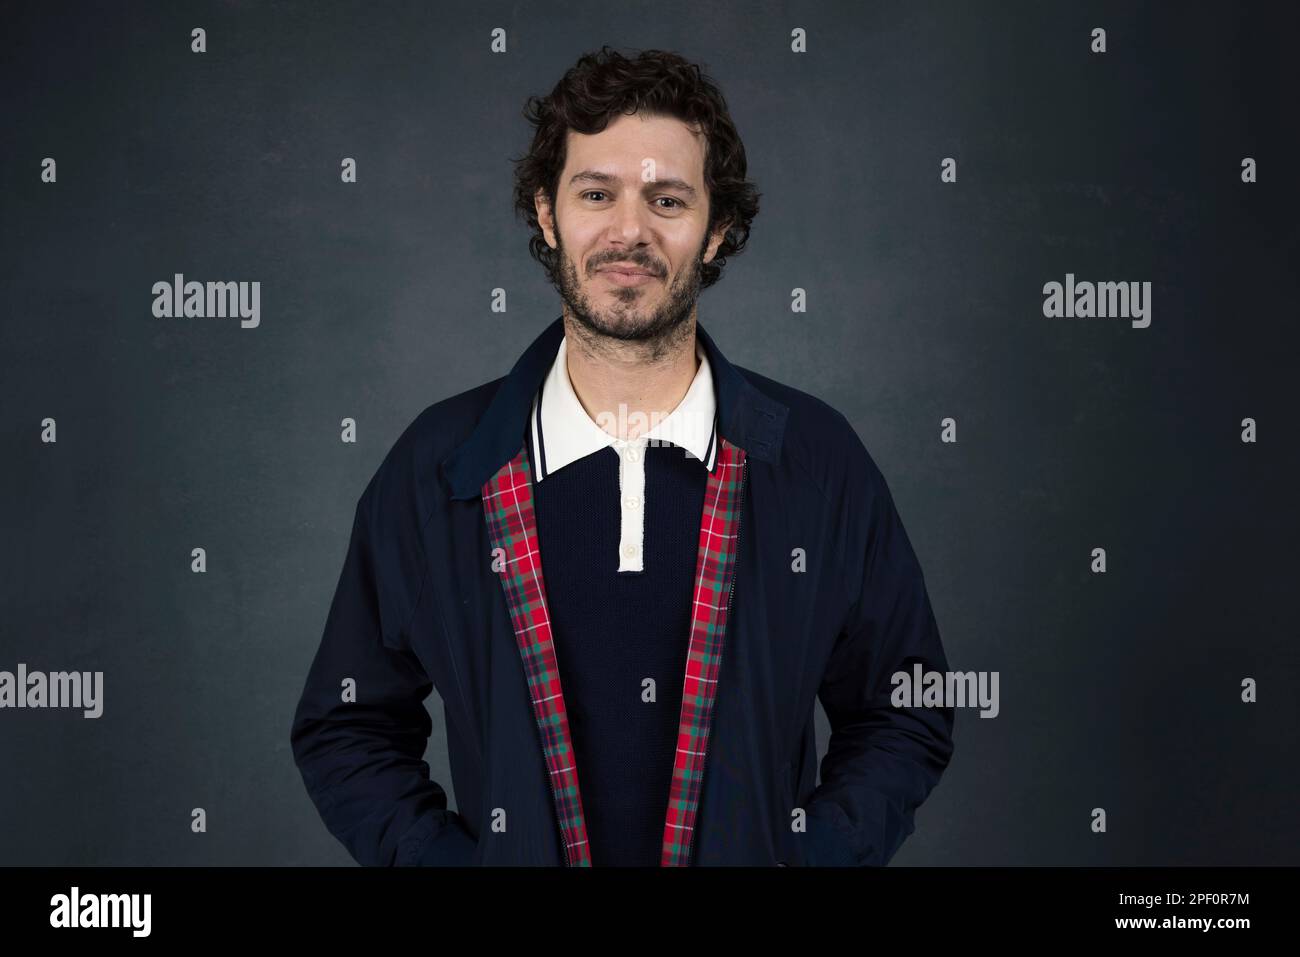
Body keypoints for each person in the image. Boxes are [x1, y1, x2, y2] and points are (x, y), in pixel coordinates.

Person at [289, 46, 954, 867]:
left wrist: (806, 858)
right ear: (547, 214)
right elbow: (346, 724)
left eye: (666, 199)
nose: (628, 231)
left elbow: (908, 706)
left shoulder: (816, 463)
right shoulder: (440, 468)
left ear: (718, 231)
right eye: (596, 193)